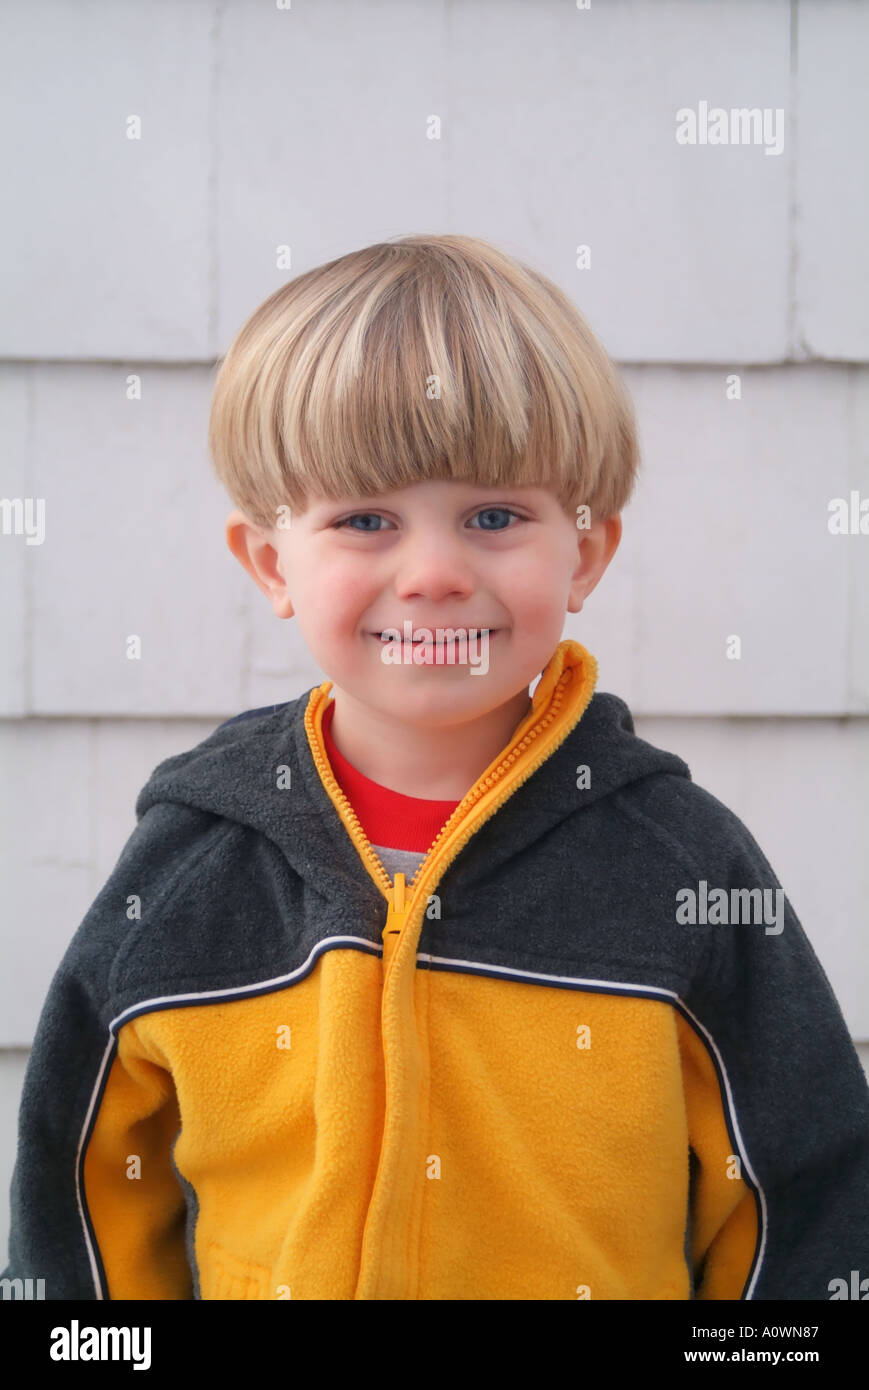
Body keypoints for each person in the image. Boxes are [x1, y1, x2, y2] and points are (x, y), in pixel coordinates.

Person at [4, 234, 868, 1300]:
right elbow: (81, 1191)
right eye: (364, 520)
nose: (433, 575)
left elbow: (805, 1201)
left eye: (493, 516)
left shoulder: (682, 867)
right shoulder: (193, 862)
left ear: (584, 552)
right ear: (273, 563)